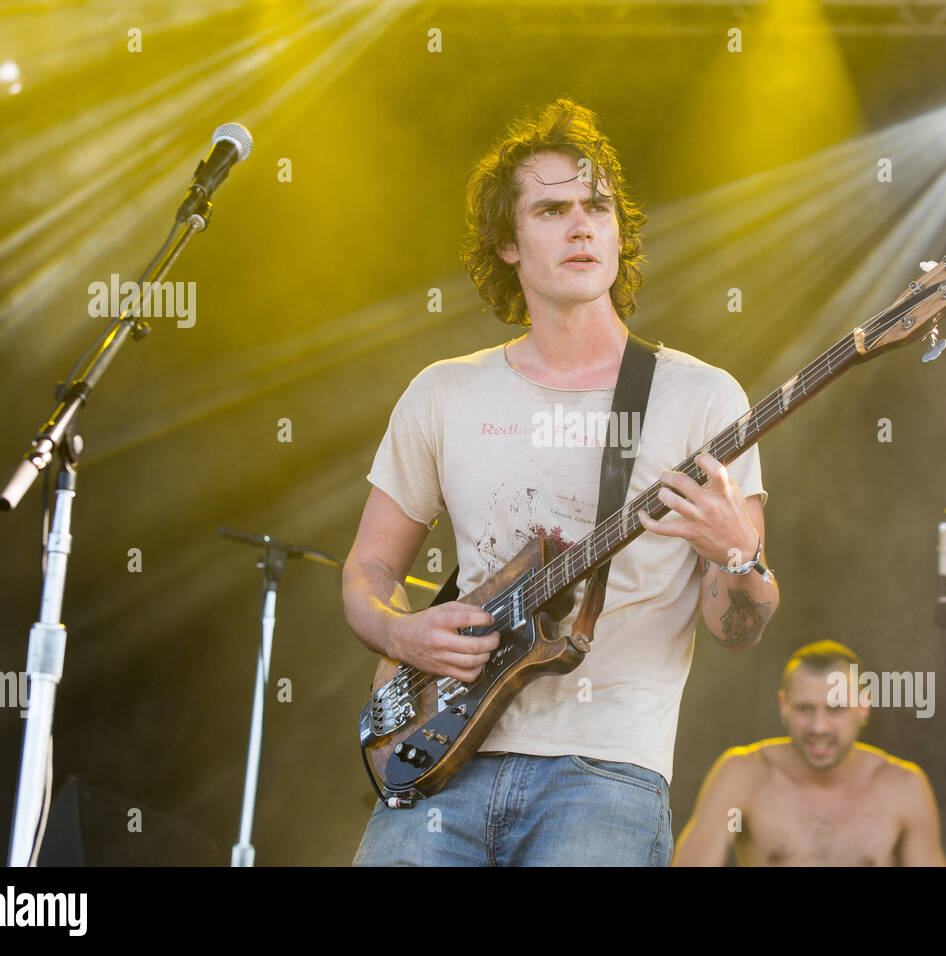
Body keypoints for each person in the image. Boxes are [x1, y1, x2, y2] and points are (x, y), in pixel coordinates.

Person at [343, 98, 779, 866]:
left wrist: (739, 556)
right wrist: (399, 631)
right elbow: (370, 569)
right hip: (444, 761)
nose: (582, 225)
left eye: (597, 208)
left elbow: (736, 628)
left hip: (605, 774)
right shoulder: (444, 392)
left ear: (618, 232)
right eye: (552, 209)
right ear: (508, 243)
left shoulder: (701, 398)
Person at [672, 640, 946, 866]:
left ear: (864, 706)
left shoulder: (904, 787)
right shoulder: (743, 775)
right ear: (784, 706)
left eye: (835, 709)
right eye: (805, 709)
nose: (819, 727)